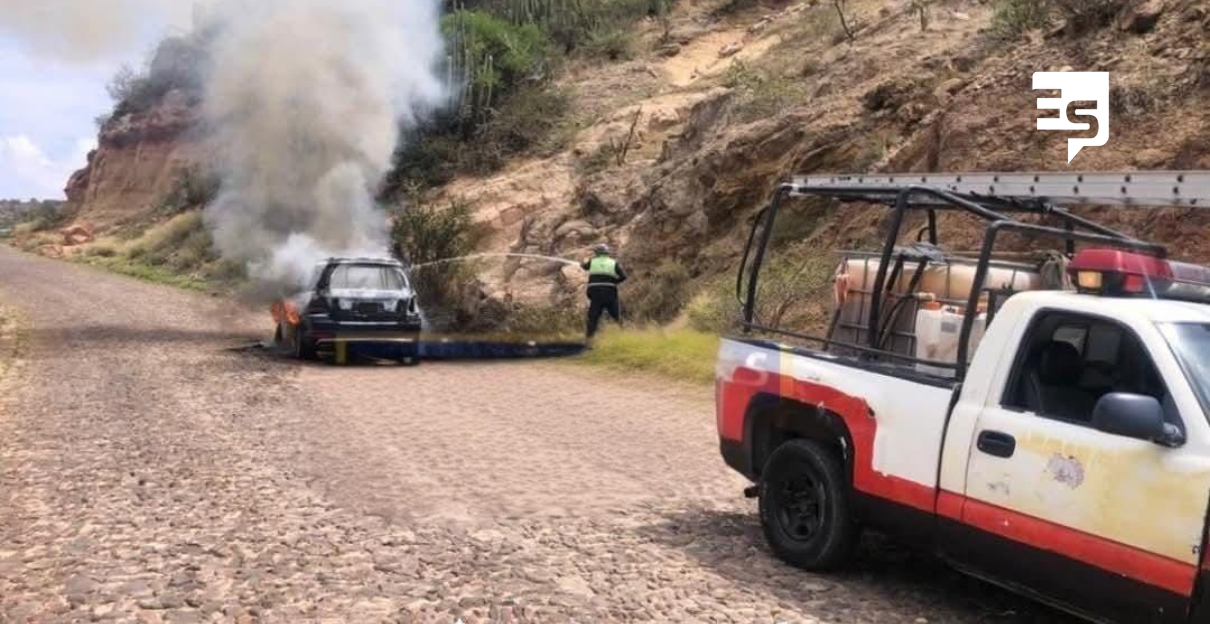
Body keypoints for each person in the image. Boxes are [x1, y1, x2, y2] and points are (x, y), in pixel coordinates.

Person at [582, 243, 627, 338]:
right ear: (607, 253)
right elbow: (623, 276)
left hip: (596, 294)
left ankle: (589, 340)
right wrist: (614, 282)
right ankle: (625, 335)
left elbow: (585, 267)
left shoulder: (592, 261)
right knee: (616, 316)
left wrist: (582, 264)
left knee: (593, 318)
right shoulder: (614, 263)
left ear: (597, 253)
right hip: (610, 293)